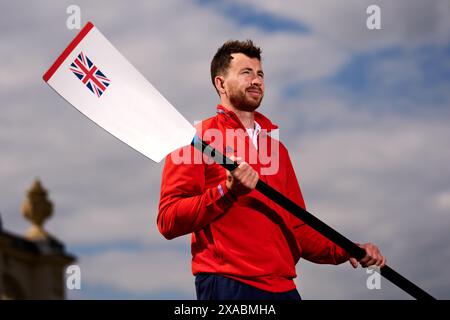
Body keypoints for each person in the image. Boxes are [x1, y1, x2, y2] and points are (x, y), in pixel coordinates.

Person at [157, 40, 386, 300]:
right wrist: (227, 191)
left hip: (283, 287)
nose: (256, 80)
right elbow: (168, 219)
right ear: (220, 83)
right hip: (227, 283)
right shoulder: (196, 138)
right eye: (246, 73)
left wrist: (347, 250)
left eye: (260, 74)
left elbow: (297, 226)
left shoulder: (278, 150)